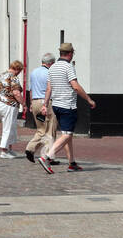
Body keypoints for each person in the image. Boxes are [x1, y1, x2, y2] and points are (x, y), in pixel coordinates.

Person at [38, 42, 96, 173]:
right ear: (70, 54)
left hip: (56, 105)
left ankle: (72, 162)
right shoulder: (68, 67)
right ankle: (47, 157)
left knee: (66, 134)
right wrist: (89, 99)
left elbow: (48, 88)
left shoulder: (52, 68)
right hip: (67, 105)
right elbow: (75, 86)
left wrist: (45, 105)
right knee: (67, 134)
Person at [24, 52, 58, 164]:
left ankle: (30, 148)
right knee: (50, 130)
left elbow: (31, 89)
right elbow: (50, 89)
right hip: (46, 102)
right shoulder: (50, 73)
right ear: (51, 63)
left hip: (35, 101)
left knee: (41, 129)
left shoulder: (34, 72)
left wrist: (31, 104)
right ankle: (48, 156)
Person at [0, 60, 25, 158]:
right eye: (19, 71)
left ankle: (10, 149)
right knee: (8, 127)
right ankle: (4, 151)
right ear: (17, 69)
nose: (19, 73)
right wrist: (24, 104)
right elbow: (16, 93)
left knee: (11, 126)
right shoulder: (13, 77)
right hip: (8, 104)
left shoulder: (2, 75)